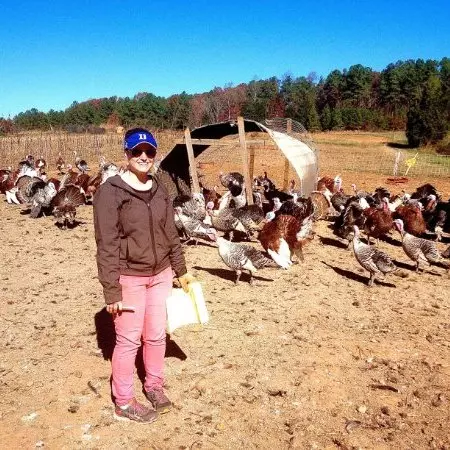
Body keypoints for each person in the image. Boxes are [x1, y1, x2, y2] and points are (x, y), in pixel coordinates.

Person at [93, 127, 196, 423]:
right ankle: (124, 402)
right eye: (136, 151)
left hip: (161, 273)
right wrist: (111, 291)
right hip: (130, 277)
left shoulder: (159, 188)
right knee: (128, 341)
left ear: (154, 154)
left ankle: (154, 385)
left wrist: (181, 271)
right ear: (126, 153)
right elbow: (107, 245)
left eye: (149, 151)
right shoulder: (110, 192)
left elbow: (170, 233)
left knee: (155, 336)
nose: (143, 156)